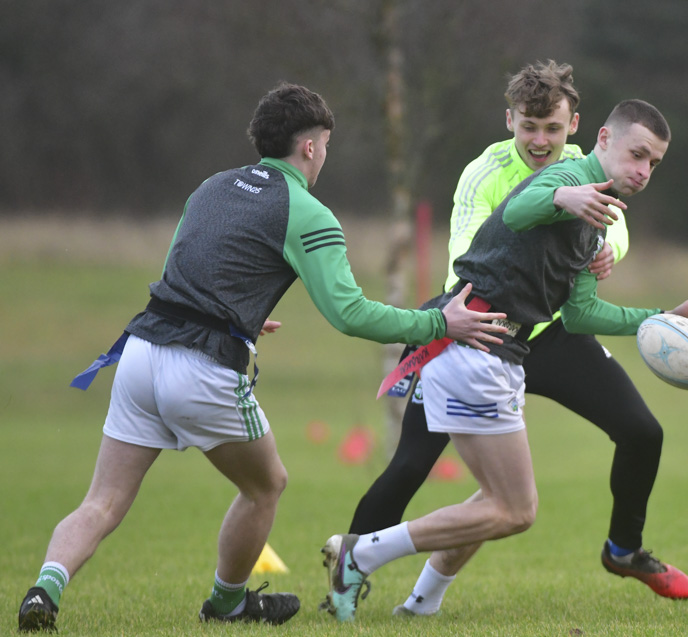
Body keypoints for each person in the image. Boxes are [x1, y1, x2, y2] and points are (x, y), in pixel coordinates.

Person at [15, 82, 506, 633]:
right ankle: (227, 604)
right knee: (265, 486)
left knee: (102, 501)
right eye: (326, 146)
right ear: (312, 147)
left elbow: (188, 268)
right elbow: (350, 315)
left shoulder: (210, 187)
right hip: (199, 370)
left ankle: (44, 591)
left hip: (141, 353)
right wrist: (441, 321)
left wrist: (240, 316)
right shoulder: (308, 211)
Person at [320, 98, 688, 623]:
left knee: (498, 499)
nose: (643, 171)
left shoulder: (597, 216)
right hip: (475, 345)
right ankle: (361, 553)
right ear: (602, 141)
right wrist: (565, 196)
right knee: (514, 509)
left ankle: (419, 602)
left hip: (497, 353)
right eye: (637, 154)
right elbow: (518, 211)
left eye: (654, 163)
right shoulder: (564, 176)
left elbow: (581, 313)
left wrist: (660, 319)